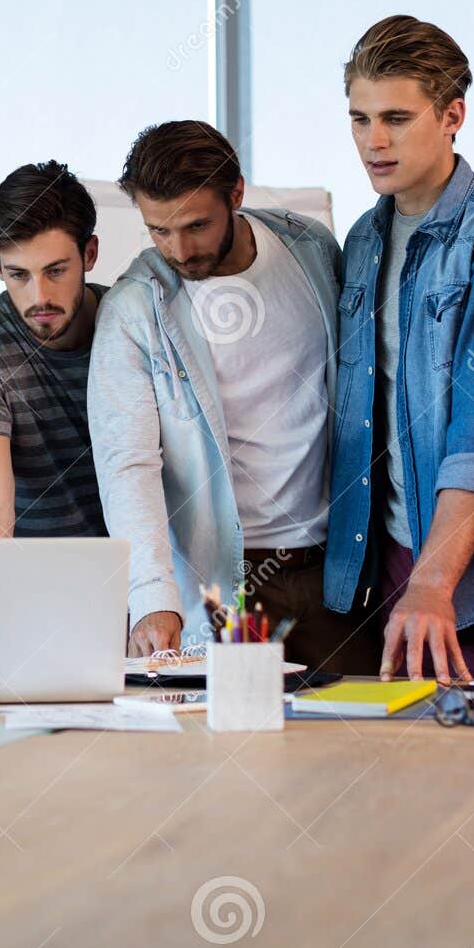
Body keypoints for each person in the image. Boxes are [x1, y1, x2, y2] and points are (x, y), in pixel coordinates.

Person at [323, 14, 474, 683]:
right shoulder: (365, 241)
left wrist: (434, 582)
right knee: (400, 779)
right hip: (392, 564)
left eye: (396, 118)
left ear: (452, 113)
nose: (374, 140)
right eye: (359, 118)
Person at [89, 120, 372, 672]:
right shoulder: (133, 310)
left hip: (336, 570)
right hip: (225, 585)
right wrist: (151, 598)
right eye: (159, 231)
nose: (179, 249)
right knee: (232, 753)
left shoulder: (309, 248)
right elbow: (128, 463)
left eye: (196, 225)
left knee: (357, 748)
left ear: (236, 193)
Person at [0, 161, 108, 537]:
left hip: (146, 572)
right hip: (28, 578)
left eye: (56, 271)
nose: (40, 298)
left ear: (90, 254)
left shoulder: (133, 328)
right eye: (19, 275)